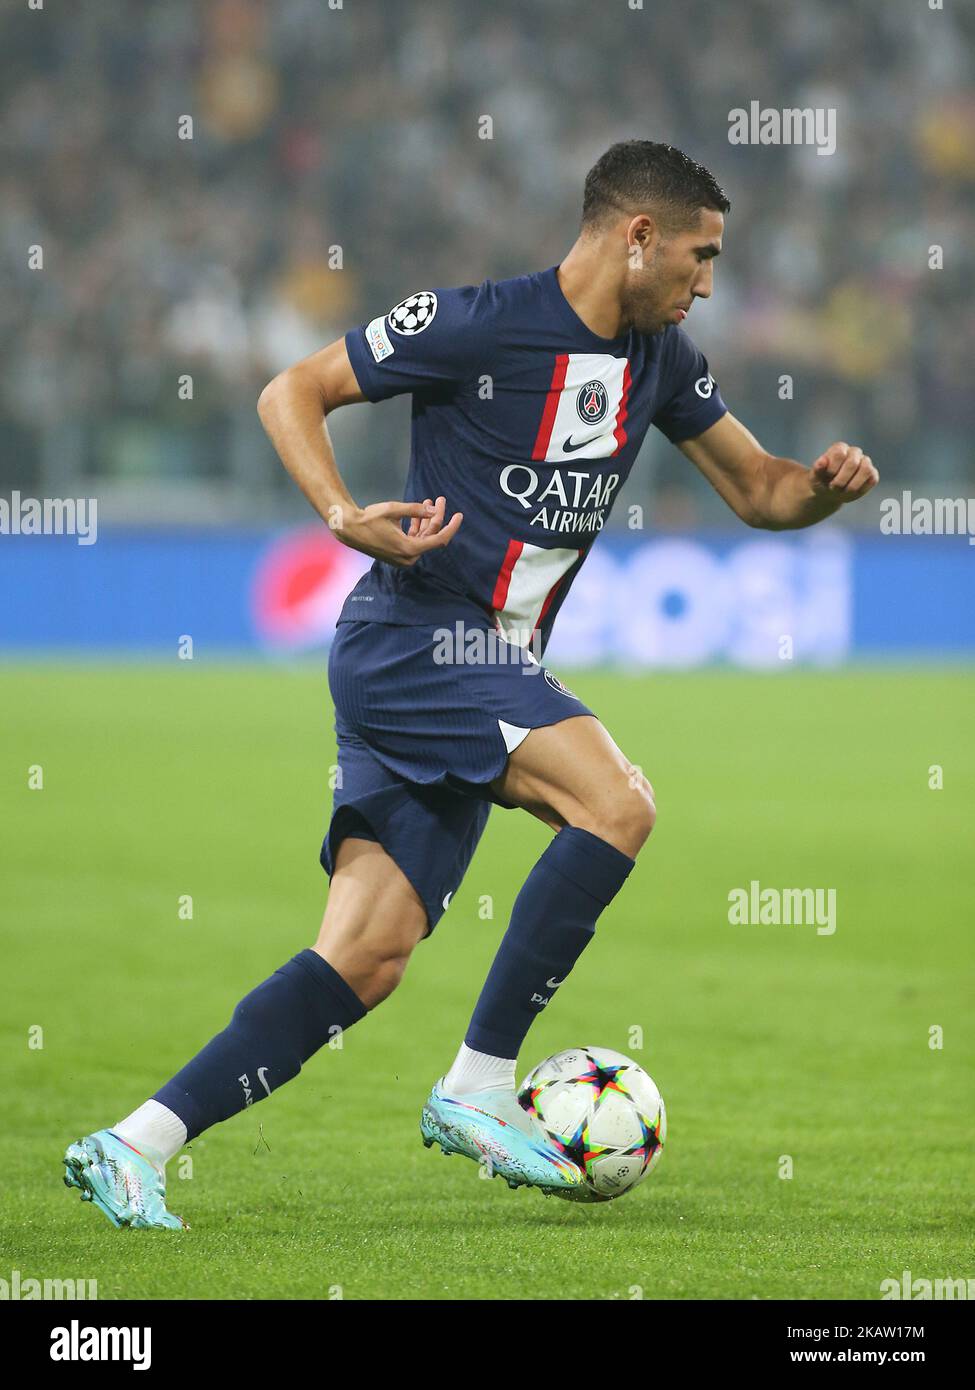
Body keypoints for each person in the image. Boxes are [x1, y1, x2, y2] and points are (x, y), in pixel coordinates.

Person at [64, 140, 878, 1228]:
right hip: (420, 638)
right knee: (618, 802)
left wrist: (823, 488)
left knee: (366, 957)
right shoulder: (478, 324)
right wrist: (343, 513)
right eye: (700, 255)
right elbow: (290, 390)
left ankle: (131, 1143)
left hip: (476, 664)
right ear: (637, 238)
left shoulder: (663, 361)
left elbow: (762, 491)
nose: (709, 283)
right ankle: (480, 1081)